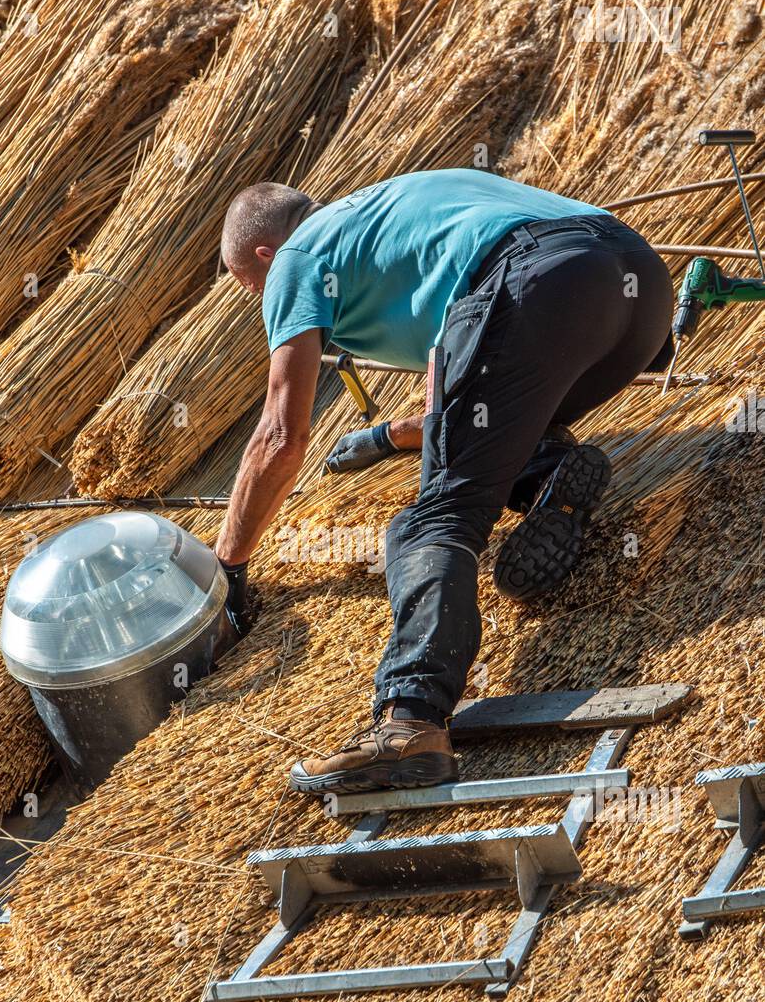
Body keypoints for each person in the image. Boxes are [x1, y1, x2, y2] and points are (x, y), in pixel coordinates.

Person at [214, 168, 673, 794]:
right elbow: (462, 386)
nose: (262, 301)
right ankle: (545, 473)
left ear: (264, 254)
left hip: (530, 283)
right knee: (493, 437)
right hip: (634, 290)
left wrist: (230, 565)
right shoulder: (395, 216)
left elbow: (280, 434)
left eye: (252, 286)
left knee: (430, 520)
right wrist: (386, 436)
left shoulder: (296, 257)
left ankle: (409, 722)